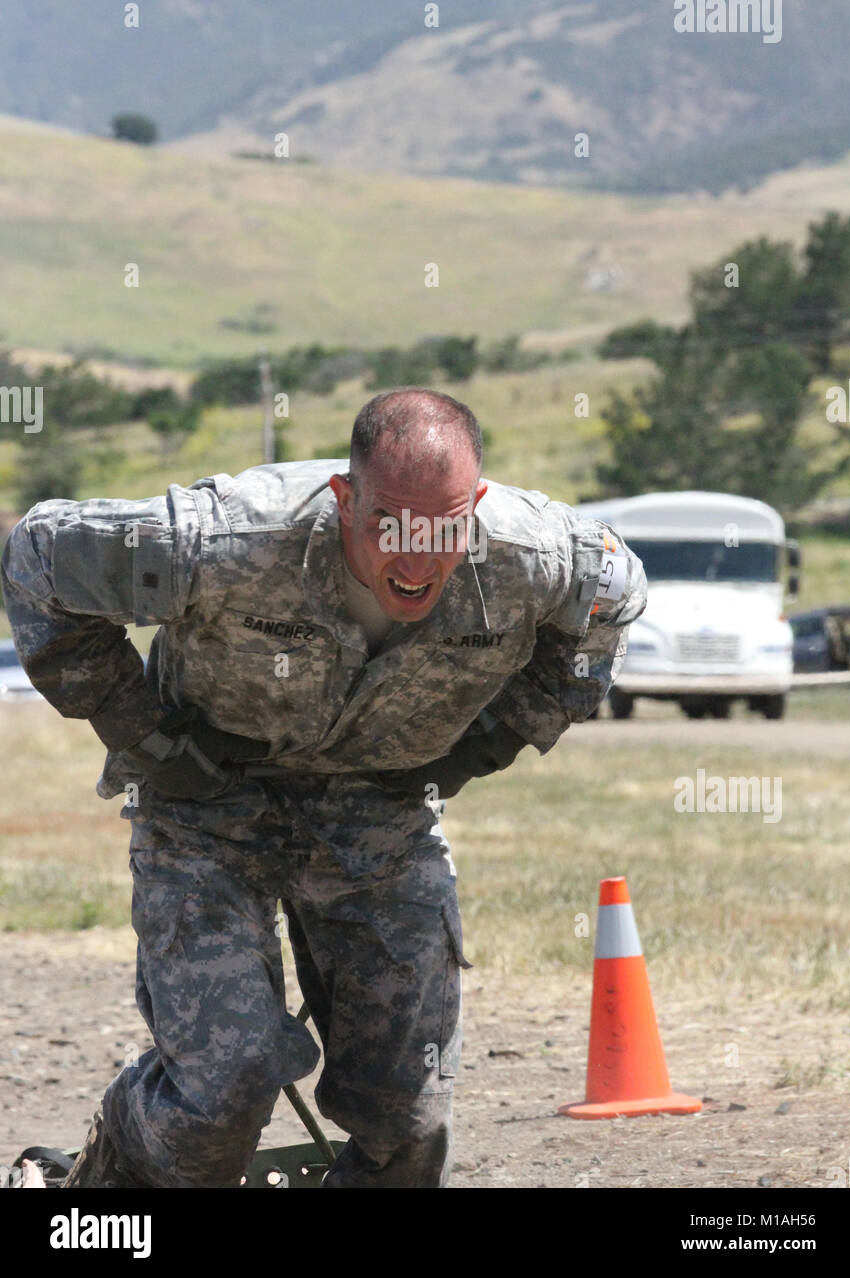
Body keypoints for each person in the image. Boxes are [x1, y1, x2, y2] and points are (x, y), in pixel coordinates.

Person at [1, 387, 646, 1188]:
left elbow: (616, 601)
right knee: (222, 1097)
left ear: (476, 506)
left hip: (377, 813)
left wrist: (490, 744)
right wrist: (146, 735)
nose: (416, 559)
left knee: (409, 1121)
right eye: (389, 525)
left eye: (444, 529)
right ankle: (94, 1184)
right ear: (345, 498)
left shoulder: (537, 557)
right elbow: (36, 557)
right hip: (206, 807)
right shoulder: (228, 537)